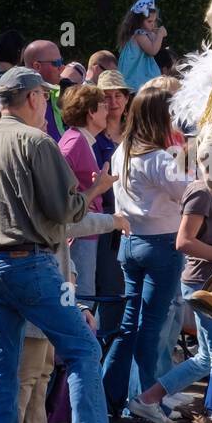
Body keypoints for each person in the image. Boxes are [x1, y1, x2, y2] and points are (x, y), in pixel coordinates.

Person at [0, 66, 137, 423]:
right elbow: (64, 211)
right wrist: (91, 199)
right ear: (34, 98)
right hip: (31, 262)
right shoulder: (36, 142)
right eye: (45, 97)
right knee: (82, 348)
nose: (48, 107)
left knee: (3, 366)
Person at [100, 88, 189, 423]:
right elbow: (189, 190)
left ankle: (112, 395)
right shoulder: (159, 159)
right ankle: (144, 398)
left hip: (129, 242)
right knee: (151, 326)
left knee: (130, 326)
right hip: (160, 244)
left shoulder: (122, 150)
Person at [131, 171, 212, 423]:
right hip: (203, 284)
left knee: (205, 357)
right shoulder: (201, 190)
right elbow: (184, 241)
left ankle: (147, 399)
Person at [57, 84, 110, 298]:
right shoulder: (75, 141)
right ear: (91, 111)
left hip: (84, 230)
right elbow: (58, 178)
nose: (108, 111)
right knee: (82, 296)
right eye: (104, 106)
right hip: (79, 234)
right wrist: (98, 188)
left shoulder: (79, 139)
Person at [92, 69, 132, 335]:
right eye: (107, 96)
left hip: (127, 217)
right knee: (97, 288)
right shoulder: (92, 137)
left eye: (119, 95)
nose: (114, 101)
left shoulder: (135, 133)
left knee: (118, 289)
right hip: (100, 216)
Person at [115, 0, 166, 92]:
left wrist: (155, 34)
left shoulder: (141, 34)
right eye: (149, 21)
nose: (153, 24)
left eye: (154, 21)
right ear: (138, 21)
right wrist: (160, 34)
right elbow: (153, 50)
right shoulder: (139, 35)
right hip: (137, 80)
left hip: (135, 80)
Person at [21, 39, 66, 139]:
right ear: (37, 66)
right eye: (57, 63)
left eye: (61, 61)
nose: (62, 67)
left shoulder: (53, 94)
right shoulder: (18, 101)